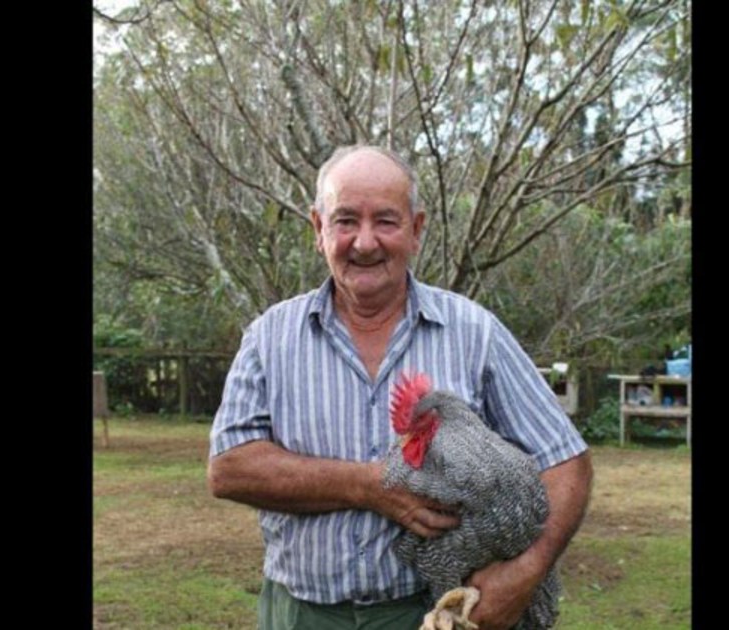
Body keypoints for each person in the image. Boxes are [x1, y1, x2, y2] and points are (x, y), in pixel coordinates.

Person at [208, 145, 593, 630]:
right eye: (346, 220)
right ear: (318, 229)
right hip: (301, 614)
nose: (365, 242)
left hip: (432, 612)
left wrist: (525, 572)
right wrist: (372, 486)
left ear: (416, 230)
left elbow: (566, 461)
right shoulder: (269, 337)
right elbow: (229, 469)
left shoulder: (474, 331)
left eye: (386, 221)